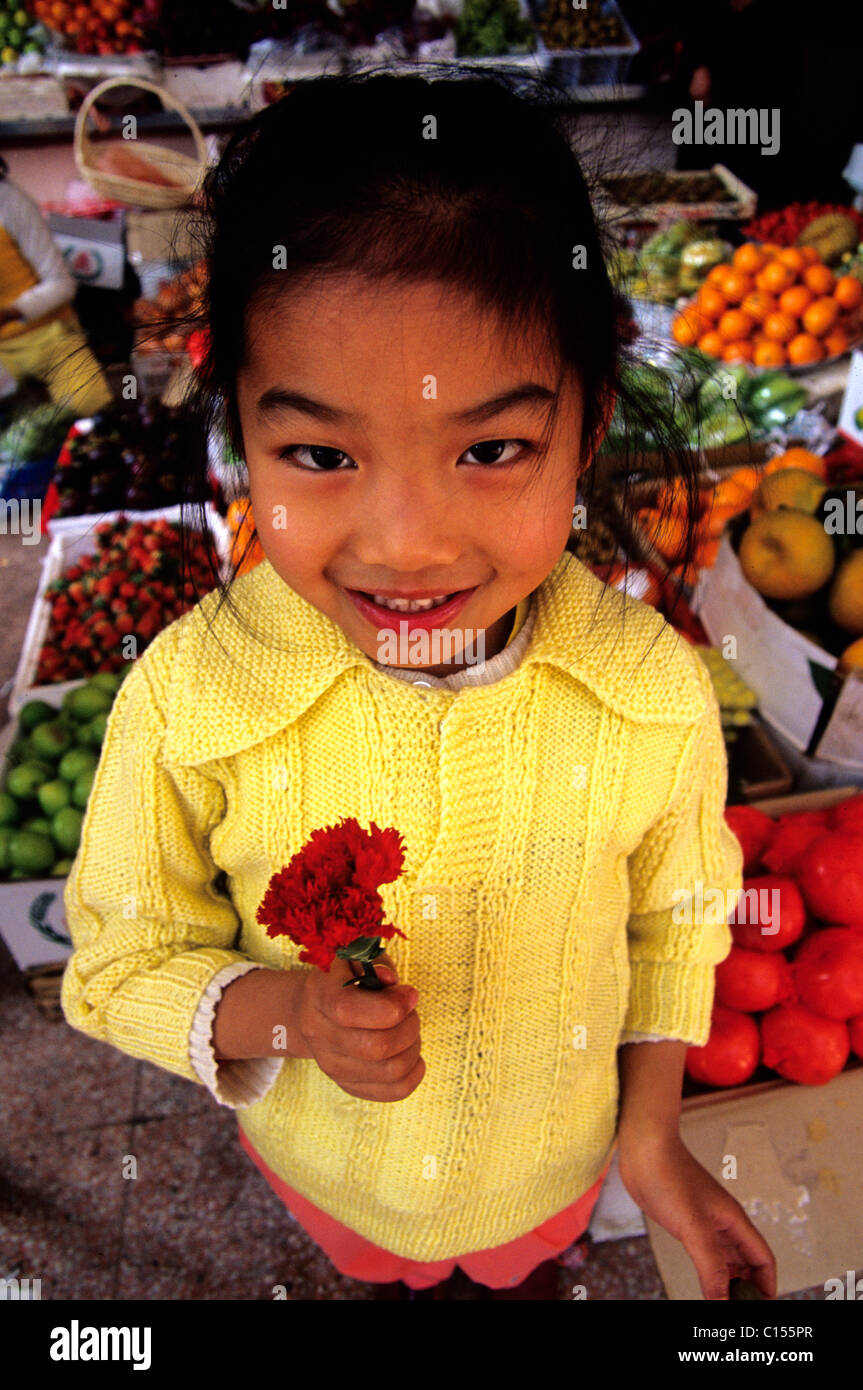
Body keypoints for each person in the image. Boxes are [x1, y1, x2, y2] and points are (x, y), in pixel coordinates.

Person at [60, 68, 777, 1303]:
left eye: (491, 449)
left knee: (515, 1279)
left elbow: (677, 923)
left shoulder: (650, 692)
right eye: (321, 454)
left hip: (554, 1173)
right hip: (329, 1173)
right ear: (239, 431)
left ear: (587, 424)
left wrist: (650, 1139)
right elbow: (114, 966)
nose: (403, 543)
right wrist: (285, 1013)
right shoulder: (189, 698)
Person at [0, 155, 111, 416]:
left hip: (50, 339)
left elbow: (61, 284)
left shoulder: (8, 201)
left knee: (91, 418)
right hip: (5, 363)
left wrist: (10, 313)